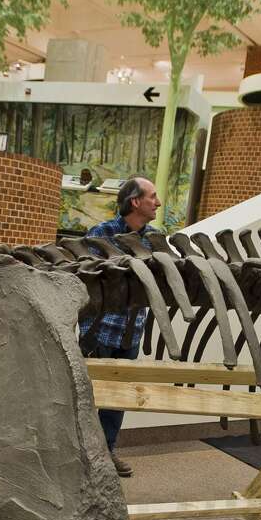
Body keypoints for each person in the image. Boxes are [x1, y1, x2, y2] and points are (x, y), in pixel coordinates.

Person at [78, 176, 162, 478]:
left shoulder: (155, 238)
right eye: (152, 197)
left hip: (132, 329)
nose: (158, 203)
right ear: (136, 202)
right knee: (86, 392)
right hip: (98, 328)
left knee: (118, 397)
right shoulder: (101, 234)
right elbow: (87, 278)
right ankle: (79, 454)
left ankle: (106, 451)